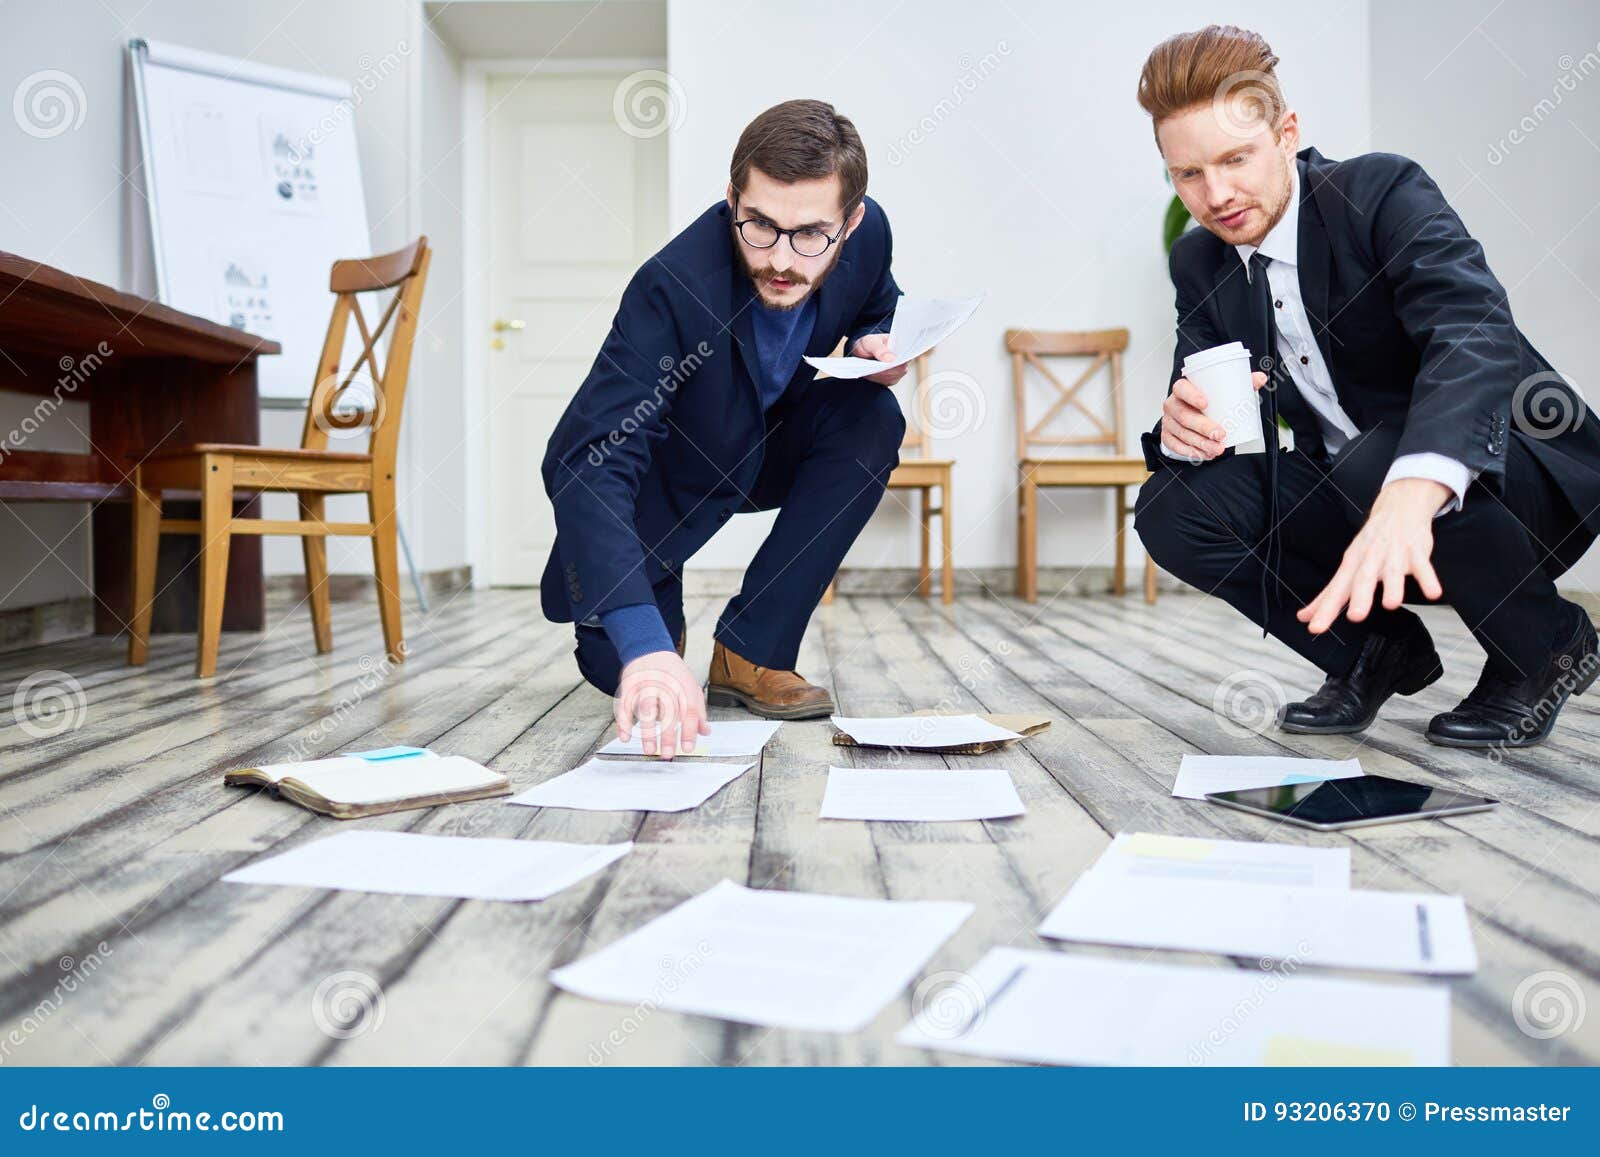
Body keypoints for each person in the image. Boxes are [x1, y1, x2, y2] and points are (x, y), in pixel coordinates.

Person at [1132, 25, 1600, 749]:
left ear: (1286, 134)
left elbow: (1474, 330)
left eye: (1235, 158)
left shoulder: (1378, 192)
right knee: (1172, 506)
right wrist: (1180, 426)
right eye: (1188, 174)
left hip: (1509, 475)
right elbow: (1203, 398)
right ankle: (1371, 650)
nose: (1216, 194)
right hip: (1356, 492)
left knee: (1372, 458)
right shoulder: (1201, 262)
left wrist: (1413, 487)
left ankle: (1547, 645)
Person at [541, 99, 908, 757]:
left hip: (767, 448)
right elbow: (591, 458)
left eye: (812, 235)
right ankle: (653, 632)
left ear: (850, 222)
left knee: (872, 417)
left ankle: (750, 650)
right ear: (731, 196)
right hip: (666, 481)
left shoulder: (869, 235)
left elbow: (876, 300)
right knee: (628, 660)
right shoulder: (670, 290)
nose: (783, 259)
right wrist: (646, 646)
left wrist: (873, 345)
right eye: (759, 225)